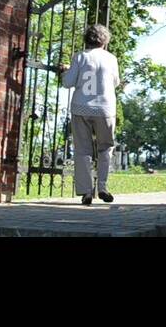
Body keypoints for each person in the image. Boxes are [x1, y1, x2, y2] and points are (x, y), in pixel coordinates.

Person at [58, 24, 120, 206]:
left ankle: (86, 191)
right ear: (104, 40)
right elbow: (115, 82)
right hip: (105, 108)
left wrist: (65, 72)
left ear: (87, 39)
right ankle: (102, 187)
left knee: (82, 149)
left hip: (81, 107)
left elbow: (68, 83)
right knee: (106, 148)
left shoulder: (80, 57)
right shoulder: (111, 59)